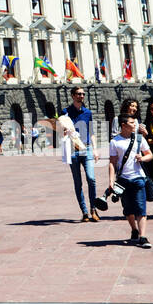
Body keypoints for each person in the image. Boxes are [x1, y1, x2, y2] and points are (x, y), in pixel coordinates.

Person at [108, 114, 153, 248]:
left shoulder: (139, 139)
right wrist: (111, 181)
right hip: (123, 180)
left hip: (138, 178)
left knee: (141, 208)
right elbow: (112, 162)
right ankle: (134, 229)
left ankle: (143, 236)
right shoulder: (115, 141)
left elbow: (149, 155)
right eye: (132, 123)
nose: (135, 125)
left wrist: (142, 158)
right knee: (128, 209)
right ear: (123, 125)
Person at [62, 87, 100, 222]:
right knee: (78, 183)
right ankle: (84, 212)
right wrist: (63, 132)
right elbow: (60, 131)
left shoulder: (87, 112)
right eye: (79, 94)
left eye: (83, 94)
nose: (81, 96)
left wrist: (95, 149)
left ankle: (93, 209)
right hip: (72, 150)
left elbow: (91, 132)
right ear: (73, 96)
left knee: (91, 179)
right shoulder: (65, 112)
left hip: (87, 148)